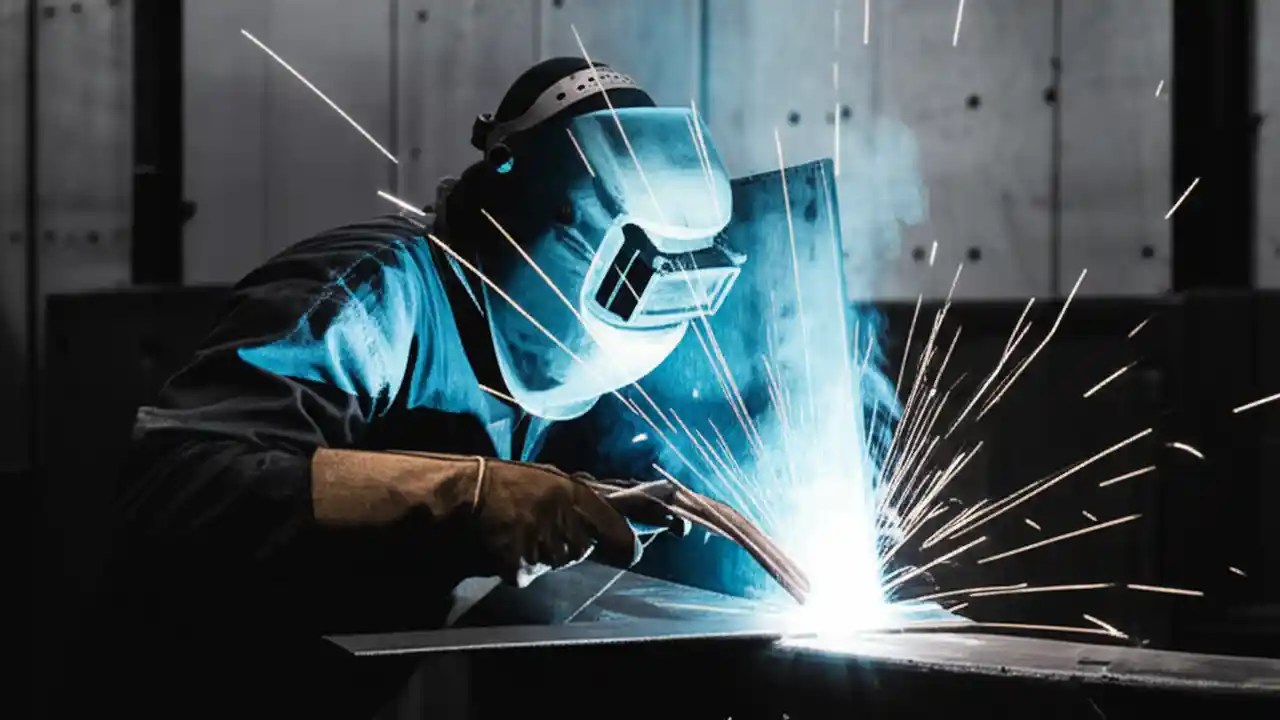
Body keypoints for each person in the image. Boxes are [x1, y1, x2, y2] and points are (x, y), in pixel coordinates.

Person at [75, 57, 742, 718]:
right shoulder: (371, 298)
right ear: (527, 216)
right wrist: (460, 494)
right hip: (183, 690)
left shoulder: (556, 340)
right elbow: (177, 481)